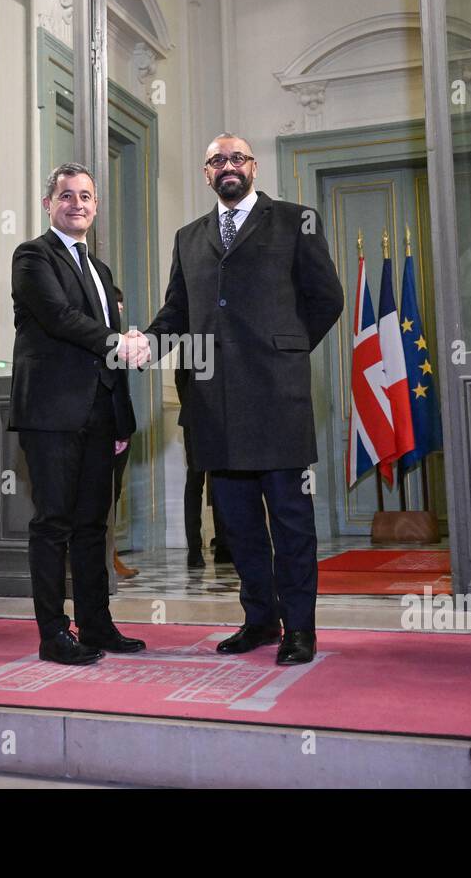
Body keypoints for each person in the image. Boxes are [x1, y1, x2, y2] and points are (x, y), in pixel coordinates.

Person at [123, 134, 344, 665]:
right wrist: (148, 342)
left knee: (291, 522)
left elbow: (327, 298)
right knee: (237, 524)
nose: (228, 166)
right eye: (217, 160)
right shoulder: (188, 237)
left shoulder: (296, 220)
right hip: (214, 403)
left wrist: (286, 348)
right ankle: (260, 620)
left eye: (237, 158)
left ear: (253, 166)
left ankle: (300, 629)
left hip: (277, 397)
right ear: (206, 173)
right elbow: (177, 310)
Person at [9, 162, 145, 666]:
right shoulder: (31, 256)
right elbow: (60, 318)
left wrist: (121, 417)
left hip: (101, 415)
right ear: (49, 204)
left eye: (86, 196)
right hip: (52, 412)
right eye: (66, 196)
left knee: (93, 525)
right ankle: (52, 634)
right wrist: (121, 341)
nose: (78, 204)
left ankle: (96, 623)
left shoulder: (101, 270)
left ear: (95, 206)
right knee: (54, 523)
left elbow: (108, 348)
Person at [175, 339, 232, 570]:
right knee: (202, 480)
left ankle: (221, 546)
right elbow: (181, 377)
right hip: (201, 416)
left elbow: (181, 378)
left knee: (215, 480)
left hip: (209, 415)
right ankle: (197, 549)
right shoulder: (192, 338)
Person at [110, 286, 139, 580]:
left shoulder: (122, 340)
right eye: (115, 302)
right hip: (102, 430)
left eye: (120, 303)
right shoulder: (101, 338)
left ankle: (111, 556)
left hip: (121, 429)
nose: (119, 308)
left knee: (113, 497)